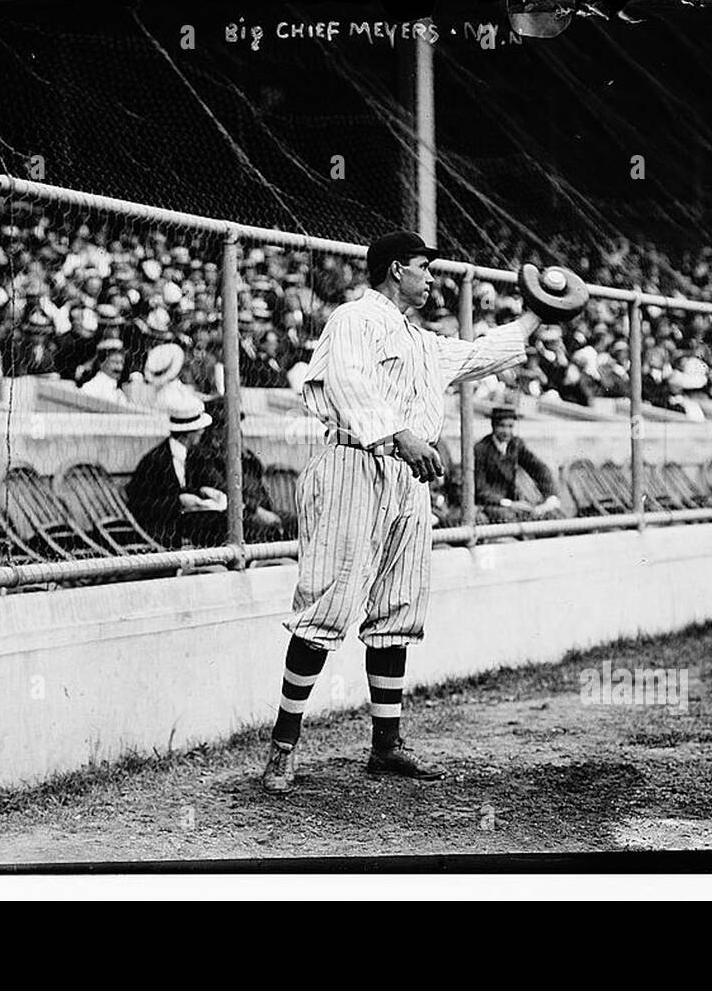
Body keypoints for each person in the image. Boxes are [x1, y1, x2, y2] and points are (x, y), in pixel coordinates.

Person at [262, 230, 544, 794]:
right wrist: (397, 433)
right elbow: (346, 382)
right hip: (353, 463)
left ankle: (385, 745)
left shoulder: (419, 340)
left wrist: (536, 317)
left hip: (406, 479)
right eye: (423, 268)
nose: (432, 278)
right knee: (328, 603)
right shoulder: (354, 319)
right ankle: (283, 748)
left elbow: (477, 354)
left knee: (398, 607)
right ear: (396, 270)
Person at [125, 398, 225, 548]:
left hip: (184, 522)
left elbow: (189, 486)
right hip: (160, 526)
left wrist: (203, 492)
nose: (202, 431)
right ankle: (192, 568)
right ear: (187, 432)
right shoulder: (154, 461)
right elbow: (140, 504)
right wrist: (178, 501)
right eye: (199, 428)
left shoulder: (193, 455)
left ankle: (212, 566)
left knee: (223, 521)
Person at [186, 397, 288, 542]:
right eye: (226, 425)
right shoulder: (203, 455)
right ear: (215, 429)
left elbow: (258, 479)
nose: (236, 430)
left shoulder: (243, 453)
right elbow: (223, 490)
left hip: (259, 509)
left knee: (296, 522)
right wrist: (257, 510)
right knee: (260, 527)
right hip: (233, 515)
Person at [473, 405, 562, 523]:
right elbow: (481, 489)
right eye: (502, 426)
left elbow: (539, 469)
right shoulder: (481, 449)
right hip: (492, 504)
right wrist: (509, 503)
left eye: (510, 426)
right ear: (493, 426)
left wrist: (550, 495)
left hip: (515, 501)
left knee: (554, 516)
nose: (507, 431)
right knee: (509, 518)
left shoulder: (515, 444)